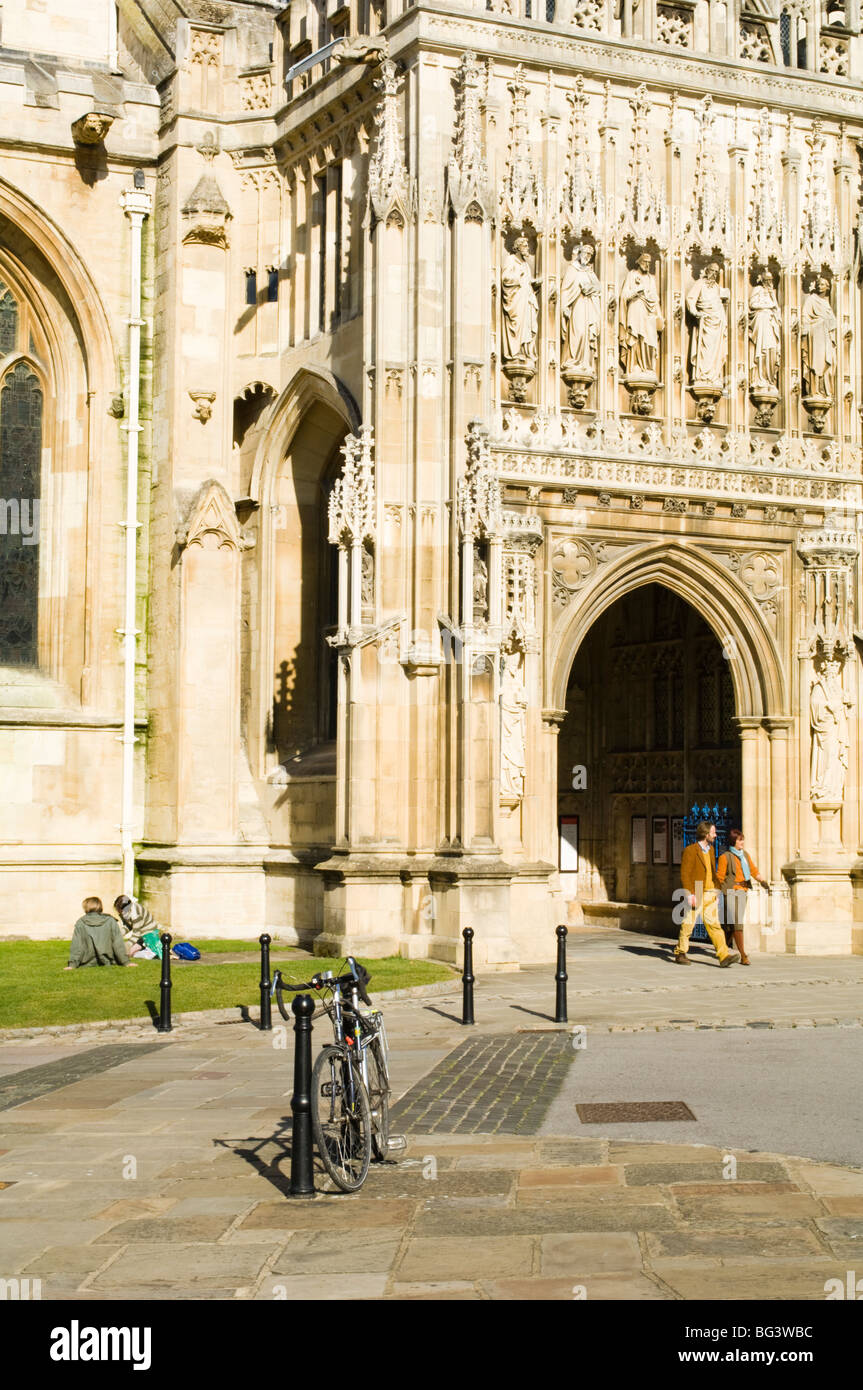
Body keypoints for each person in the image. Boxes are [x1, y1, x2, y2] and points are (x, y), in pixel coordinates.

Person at [674, 822, 739, 967]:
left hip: (710, 892)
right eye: (713, 832)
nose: (715, 835)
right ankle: (680, 952)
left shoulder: (710, 850)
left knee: (714, 925)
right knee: (688, 924)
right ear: (705, 833)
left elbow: (712, 873)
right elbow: (685, 874)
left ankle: (723, 956)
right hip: (696, 890)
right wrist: (690, 894)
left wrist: (716, 891)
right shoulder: (690, 850)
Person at [717, 830, 769, 966]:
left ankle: (722, 950)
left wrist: (763, 882)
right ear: (733, 841)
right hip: (731, 891)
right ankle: (743, 955)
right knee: (737, 922)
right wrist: (715, 893)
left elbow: (753, 870)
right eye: (740, 840)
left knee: (730, 925)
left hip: (743, 892)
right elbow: (720, 877)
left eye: (743, 839)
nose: (742, 842)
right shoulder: (725, 857)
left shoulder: (745, 855)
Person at [619, 251, 664, 379]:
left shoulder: (651, 279)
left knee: (649, 338)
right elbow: (624, 295)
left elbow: (655, 299)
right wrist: (637, 290)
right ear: (639, 262)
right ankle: (634, 365)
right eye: (645, 262)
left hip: (648, 312)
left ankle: (647, 367)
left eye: (649, 263)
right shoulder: (632, 275)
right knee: (635, 335)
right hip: (635, 307)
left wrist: (659, 316)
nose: (647, 265)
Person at [64, 897, 137, 970]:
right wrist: (126, 962)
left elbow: (77, 946)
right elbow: (118, 943)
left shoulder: (80, 922)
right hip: (109, 960)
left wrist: (72, 965)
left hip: (87, 961)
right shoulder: (111, 921)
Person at [114, 893, 162, 957]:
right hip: (141, 935)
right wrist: (117, 935)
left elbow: (136, 934)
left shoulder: (135, 914)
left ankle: (144, 948)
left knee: (128, 953)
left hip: (148, 934)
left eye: (119, 910)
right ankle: (140, 948)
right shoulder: (125, 913)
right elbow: (128, 926)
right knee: (127, 952)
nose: (118, 912)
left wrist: (127, 945)